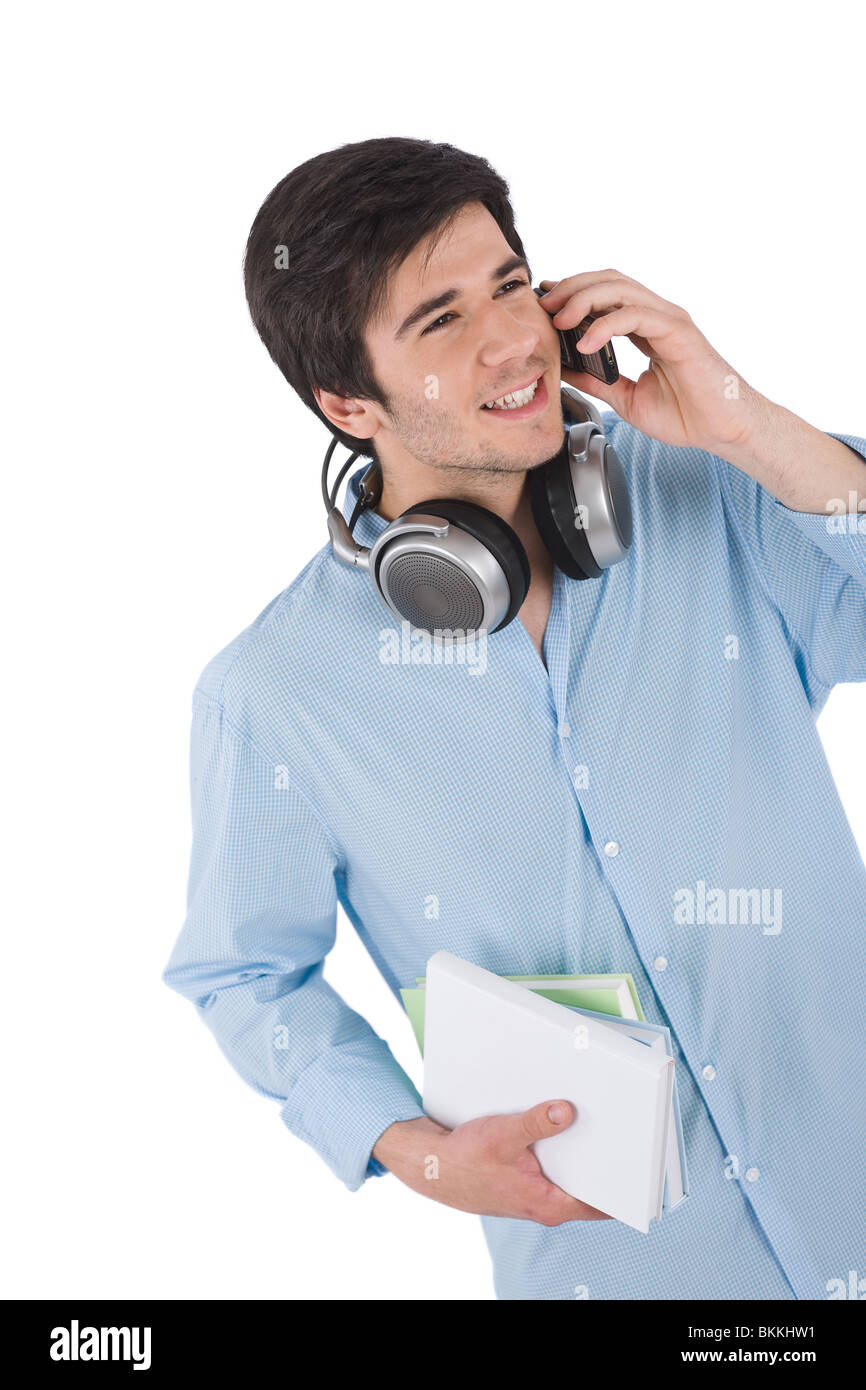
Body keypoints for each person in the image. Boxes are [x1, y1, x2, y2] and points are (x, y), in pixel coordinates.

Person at [162, 137, 866, 1300]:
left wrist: (743, 421)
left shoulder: (713, 492)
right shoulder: (275, 695)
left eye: (507, 285)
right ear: (347, 401)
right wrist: (416, 1150)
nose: (508, 340)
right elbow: (243, 974)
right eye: (438, 319)